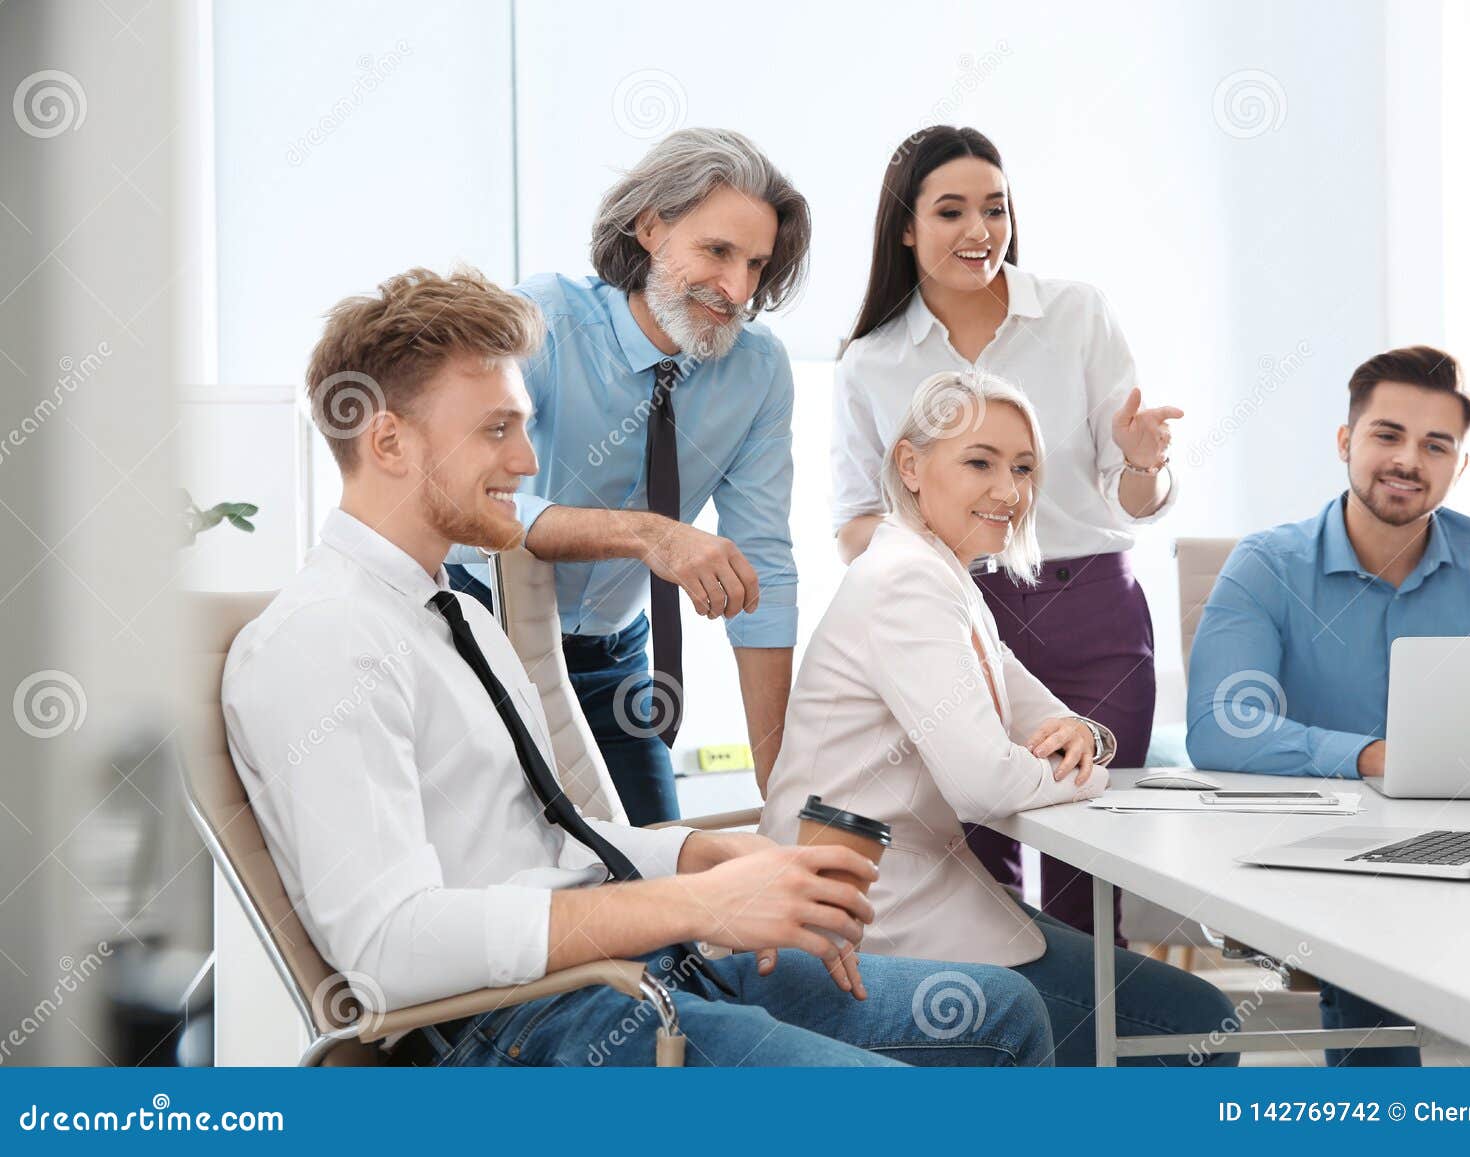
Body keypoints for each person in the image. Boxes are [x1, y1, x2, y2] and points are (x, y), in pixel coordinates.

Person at [222, 268, 1055, 1068]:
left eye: (522, 424)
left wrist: (712, 861)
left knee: (1008, 1015)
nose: (524, 460)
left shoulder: (456, 613)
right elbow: (388, 947)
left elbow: (554, 843)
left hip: (631, 966)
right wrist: (698, 905)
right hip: (514, 1025)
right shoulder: (325, 641)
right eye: (497, 429)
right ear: (389, 439)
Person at [761, 370, 1240, 1066]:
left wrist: (1087, 738)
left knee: (1169, 1005)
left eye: (1022, 468)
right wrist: (1085, 774)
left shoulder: (947, 578)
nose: (1009, 492)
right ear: (911, 466)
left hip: (916, 899)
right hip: (866, 927)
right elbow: (985, 783)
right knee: (1197, 1021)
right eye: (980, 461)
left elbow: (1043, 713)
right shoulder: (906, 583)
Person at [829, 125, 1182, 940]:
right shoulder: (870, 361)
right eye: (950, 211)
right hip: (960, 617)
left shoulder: (1075, 313)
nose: (980, 230)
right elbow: (855, 521)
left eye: (995, 208)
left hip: (1093, 610)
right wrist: (923, 583)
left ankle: (1098, 1058)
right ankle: (1017, 1050)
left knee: (1092, 875)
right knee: (984, 866)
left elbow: (1134, 498)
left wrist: (1140, 462)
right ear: (906, 228)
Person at [1186, 344, 1470, 1065]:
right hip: (1333, 861)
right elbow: (1219, 729)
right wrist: (1369, 756)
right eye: (1387, 434)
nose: (1408, 460)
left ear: (1460, 465)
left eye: (1436, 445)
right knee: (1379, 954)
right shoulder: (1267, 565)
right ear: (1346, 441)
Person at [450, 128, 809, 825]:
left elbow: (763, 564)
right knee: (522, 891)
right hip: (486, 645)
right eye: (717, 251)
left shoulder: (759, 369)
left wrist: (782, 794)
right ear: (650, 226)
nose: (736, 288)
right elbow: (466, 506)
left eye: (757, 265)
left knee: (660, 892)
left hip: (616, 665)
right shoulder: (548, 319)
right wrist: (646, 535)